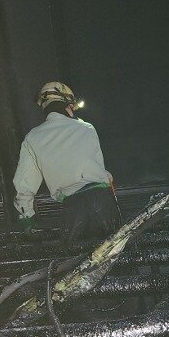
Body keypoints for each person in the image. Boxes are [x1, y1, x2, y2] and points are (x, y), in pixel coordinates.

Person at [12, 81, 120, 242]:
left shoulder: (32, 138)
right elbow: (93, 164)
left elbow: (25, 183)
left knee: (78, 255)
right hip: (103, 201)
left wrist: (26, 215)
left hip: (73, 207)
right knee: (115, 250)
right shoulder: (86, 127)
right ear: (66, 105)